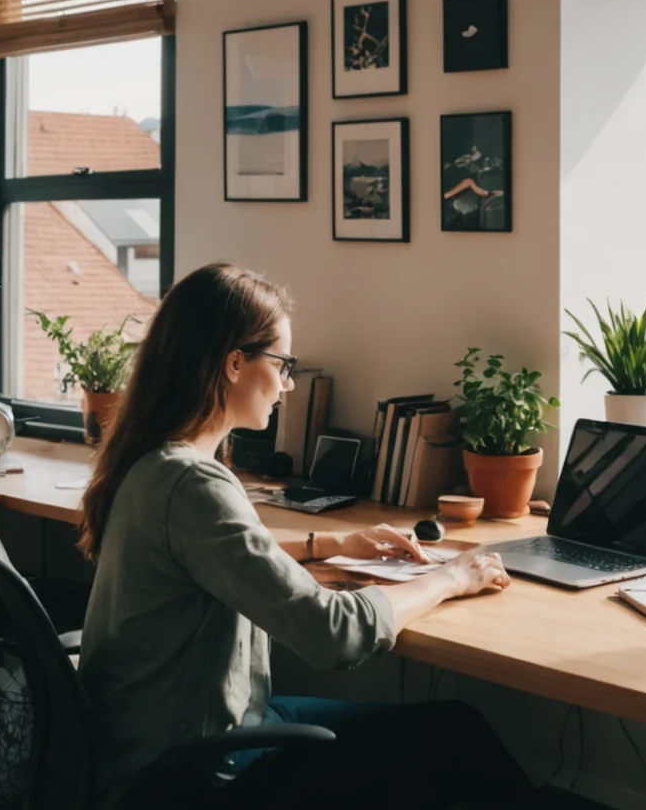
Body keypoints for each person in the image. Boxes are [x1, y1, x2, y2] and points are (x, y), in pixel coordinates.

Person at [77, 262, 533, 809]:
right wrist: (450, 577)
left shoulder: (152, 461)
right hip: (193, 768)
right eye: (284, 364)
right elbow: (331, 632)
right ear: (234, 363)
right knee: (456, 735)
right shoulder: (191, 482)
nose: (289, 383)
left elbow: (210, 558)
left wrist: (329, 545)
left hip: (152, 742)